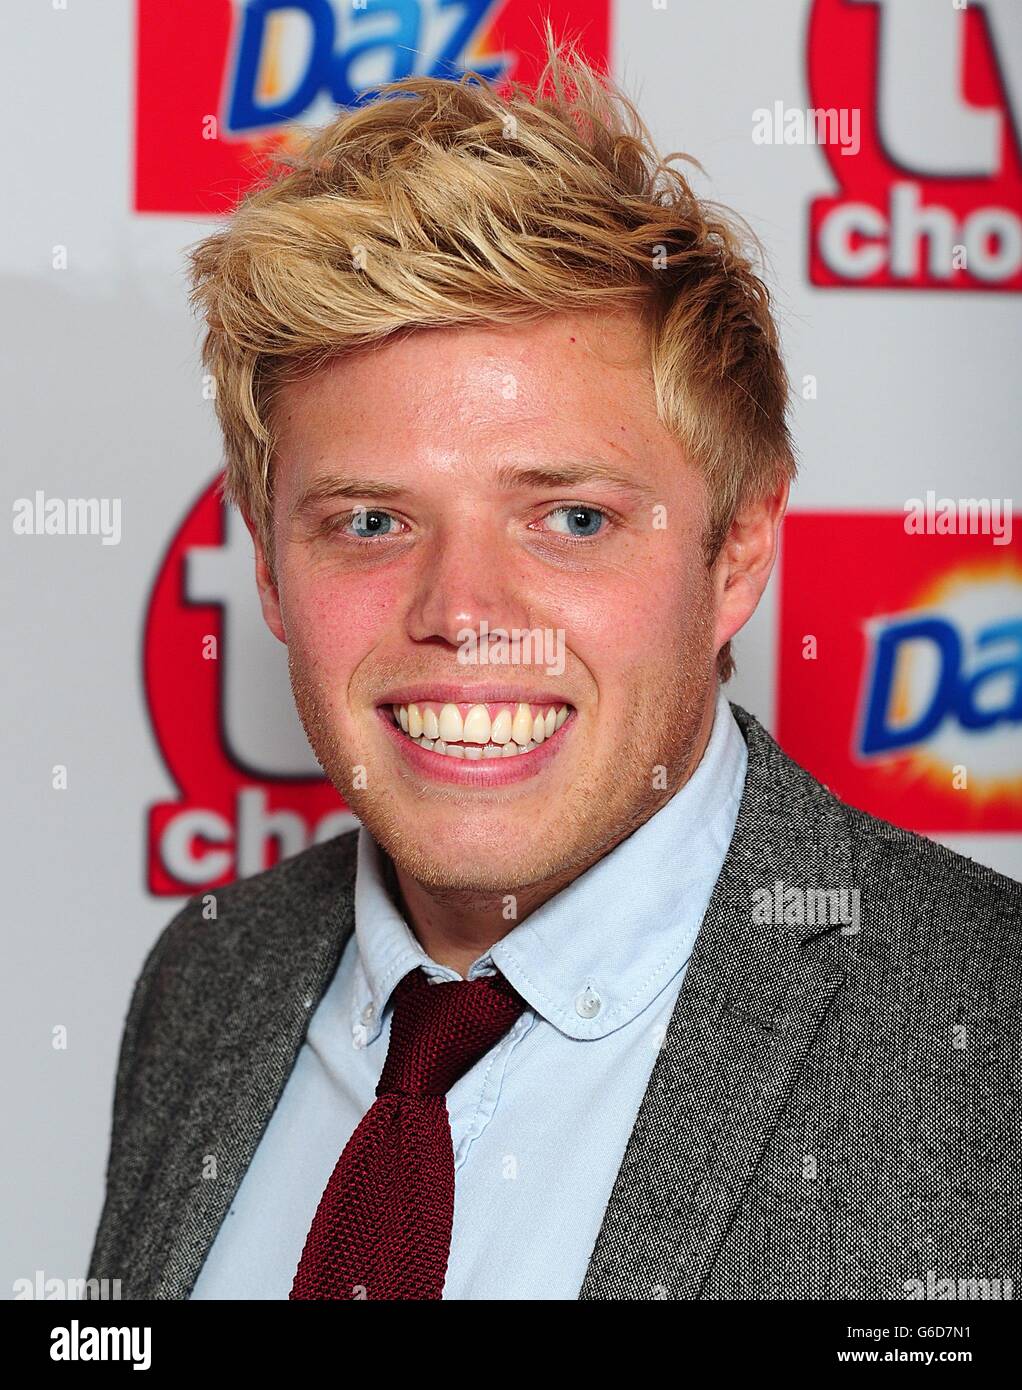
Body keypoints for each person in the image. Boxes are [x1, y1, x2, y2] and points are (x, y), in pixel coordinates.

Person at [87, 32, 1021, 1301]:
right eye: (370, 520)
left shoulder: (987, 1027)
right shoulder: (205, 979)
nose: (463, 614)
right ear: (266, 567)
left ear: (736, 552)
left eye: (569, 517)